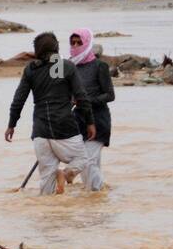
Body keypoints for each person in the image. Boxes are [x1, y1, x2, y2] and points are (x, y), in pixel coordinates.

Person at [6, 32, 95, 195]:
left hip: (41, 131)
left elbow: (19, 100)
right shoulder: (66, 66)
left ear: (37, 51)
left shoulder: (30, 70)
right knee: (82, 159)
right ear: (56, 49)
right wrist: (90, 122)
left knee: (46, 184)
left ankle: (48, 216)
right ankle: (67, 173)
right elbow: (82, 97)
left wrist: (11, 125)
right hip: (64, 127)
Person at [68, 28, 115, 191]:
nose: (75, 46)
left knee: (87, 161)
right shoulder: (68, 66)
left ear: (87, 43)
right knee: (90, 162)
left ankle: (97, 193)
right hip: (78, 121)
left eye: (79, 42)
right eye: (72, 42)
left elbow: (110, 95)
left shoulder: (100, 66)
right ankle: (95, 200)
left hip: (98, 120)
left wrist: (86, 101)